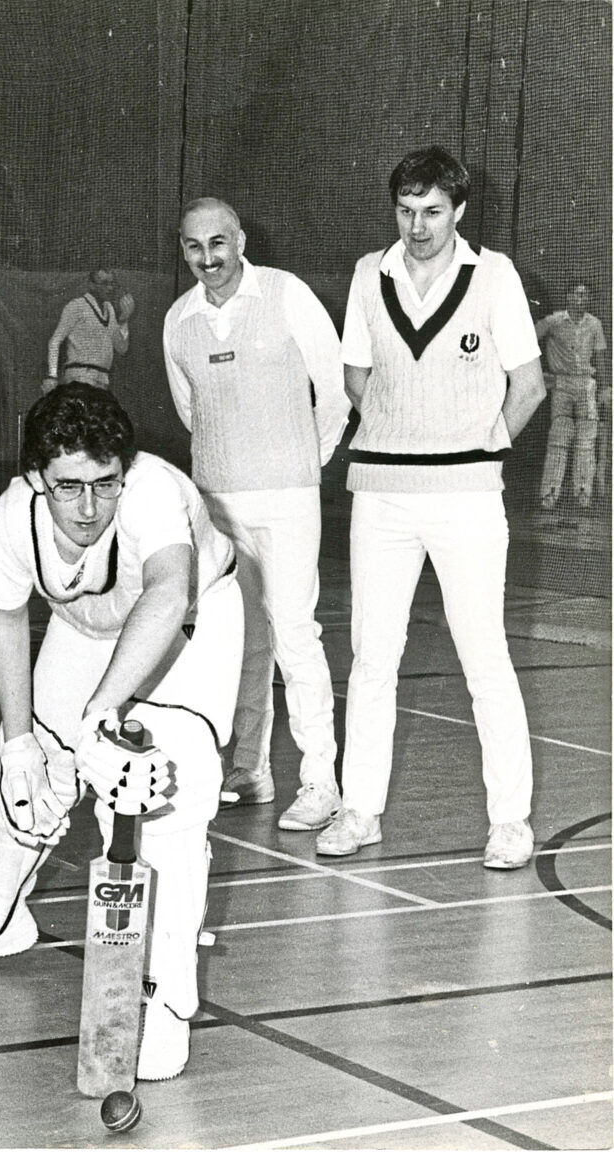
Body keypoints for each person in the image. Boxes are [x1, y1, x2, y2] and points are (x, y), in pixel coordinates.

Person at [0, 383, 243, 1083]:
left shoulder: (154, 493)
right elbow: (5, 619)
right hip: (84, 629)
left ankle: (170, 1003)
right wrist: (24, 737)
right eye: (68, 488)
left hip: (188, 630)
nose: (88, 509)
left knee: (163, 791)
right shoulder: (12, 520)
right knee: (20, 768)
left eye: (104, 485)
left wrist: (101, 717)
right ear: (35, 477)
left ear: (125, 469)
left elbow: (168, 594)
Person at [325, 146, 545, 868]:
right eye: (405, 210)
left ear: (458, 211)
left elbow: (530, 384)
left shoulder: (496, 276)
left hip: (468, 500)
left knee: (484, 657)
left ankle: (510, 821)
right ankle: (359, 810)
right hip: (381, 494)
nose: (417, 226)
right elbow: (356, 375)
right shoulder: (367, 275)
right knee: (371, 659)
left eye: (431, 212)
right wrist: (400, 431)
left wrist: (481, 445)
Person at [162, 197, 350, 832]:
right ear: (183, 250)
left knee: (296, 633)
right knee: (238, 641)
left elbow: (335, 392)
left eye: (219, 242)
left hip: (290, 496)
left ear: (240, 238)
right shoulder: (177, 320)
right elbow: (193, 409)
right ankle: (251, 767)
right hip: (217, 502)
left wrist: (305, 462)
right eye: (195, 247)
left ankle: (320, 781)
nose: (209, 258)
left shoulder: (288, 294)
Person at [536, 282, 607, 510]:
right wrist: (538, 373)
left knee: (586, 441)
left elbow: (601, 358)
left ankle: (584, 492)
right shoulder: (554, 321)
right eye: (577, 294)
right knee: (559, 438)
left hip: (586, 385)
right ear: (568, 297)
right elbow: (528, 339)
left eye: (586, 295)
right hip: (562, 385)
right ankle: (550, 493)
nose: (582, 298)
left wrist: (605, 389)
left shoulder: (594, 324)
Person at [44, 268, 136, 393]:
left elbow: (121, 348)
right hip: (79, 378)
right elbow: (55, 341)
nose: (110, 288)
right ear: (91, 285)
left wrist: (124, 320)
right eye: (104, 283)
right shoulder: (77, 306)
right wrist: (52, 376)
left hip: (103, 380)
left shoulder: (109, 309)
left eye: (112, 283)